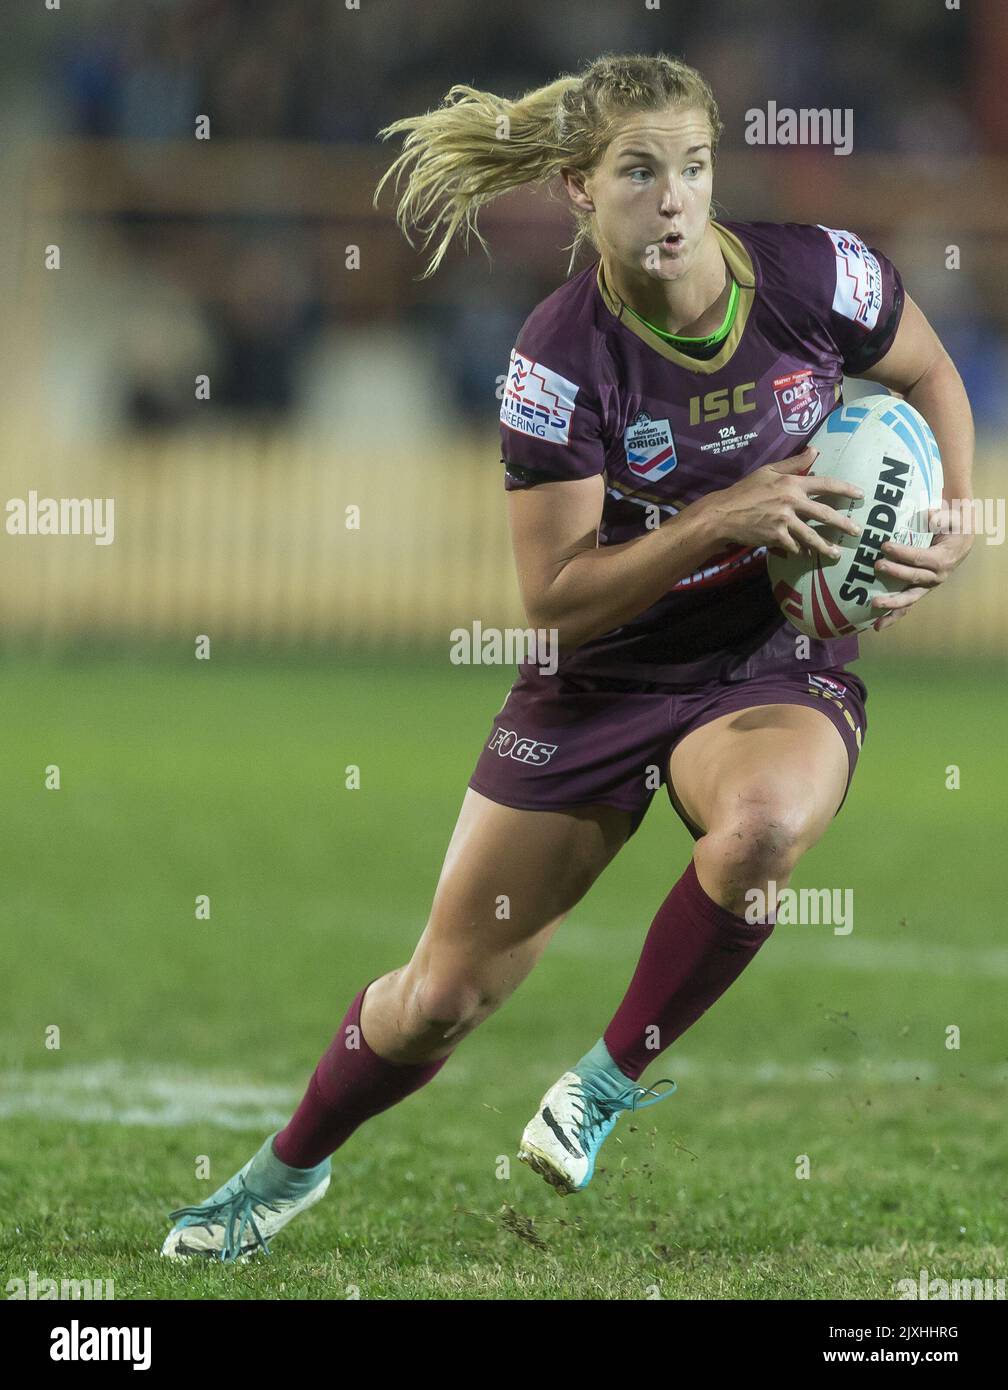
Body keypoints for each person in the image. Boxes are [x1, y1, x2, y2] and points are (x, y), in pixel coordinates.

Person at [161, 51, 974, 1262]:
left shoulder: (818, 275)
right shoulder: (557, 357)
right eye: (638, 172)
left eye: (692, 168)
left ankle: (599, 1084)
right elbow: (553, 600)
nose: (673, 199)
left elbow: (929, 371)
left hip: (767, 661)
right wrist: (721, 514)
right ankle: (282, 1172)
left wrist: (952, 513)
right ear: (577, 189)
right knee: (440, 998)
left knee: (759, 832)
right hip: (598, 680)